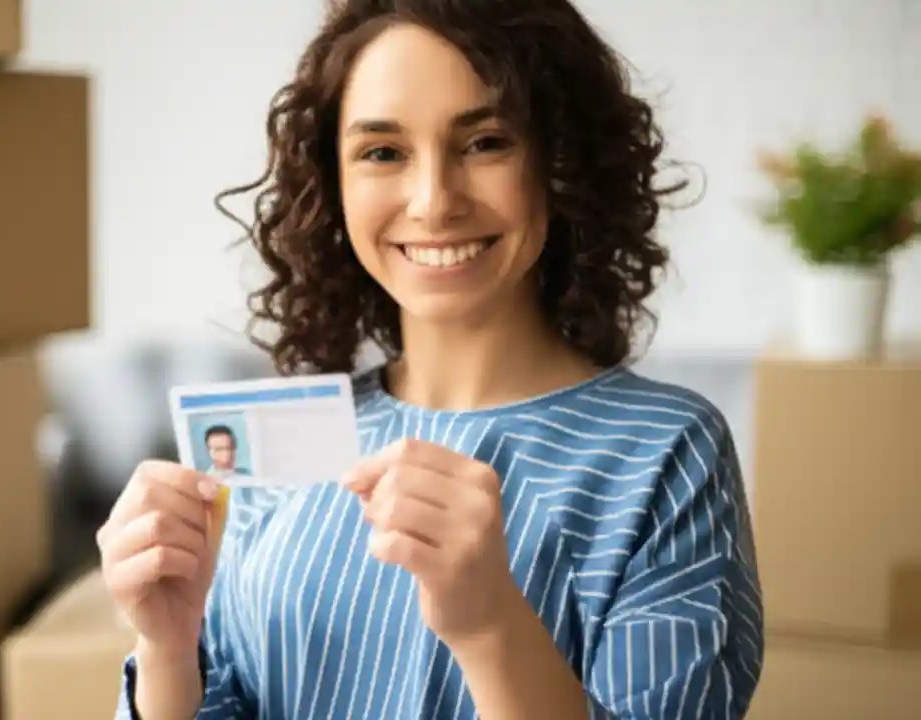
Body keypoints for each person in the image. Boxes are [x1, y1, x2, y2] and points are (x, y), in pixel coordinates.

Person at [94, 1, 764, 718]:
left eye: (485, 142)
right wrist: (167, 650)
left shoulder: (665, 451)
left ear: (560, 160)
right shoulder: (278, 442)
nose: (434, 201)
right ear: (333, 182)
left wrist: (491, 626)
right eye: (383, 152)